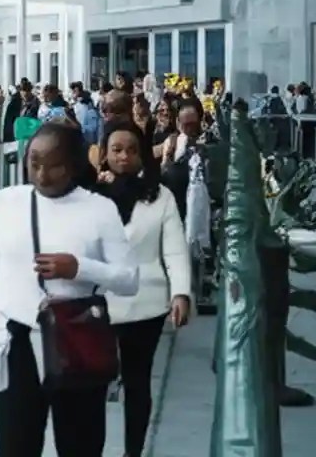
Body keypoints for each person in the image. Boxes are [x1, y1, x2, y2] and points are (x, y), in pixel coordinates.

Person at [0, 121, 139, 456]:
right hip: (15, 342)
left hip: (76, 341)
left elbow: (129, 279)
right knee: (16, 445)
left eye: (54, 166)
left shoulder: (99, 210)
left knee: (80, 445)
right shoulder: (6, 202)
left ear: (74, 165)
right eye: (34, 164)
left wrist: (80, 267)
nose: (42, 176)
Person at [95, 120, 191, 457]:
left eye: (132, 150)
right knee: (92, 386)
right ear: (104, 154)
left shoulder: (160, 195)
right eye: (117, 150)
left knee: (137, 384)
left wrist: (181, 293)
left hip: (145, 303)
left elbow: (175, 249)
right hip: (98, 306)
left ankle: (133, 452)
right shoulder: (92, 196)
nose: (124, 157)